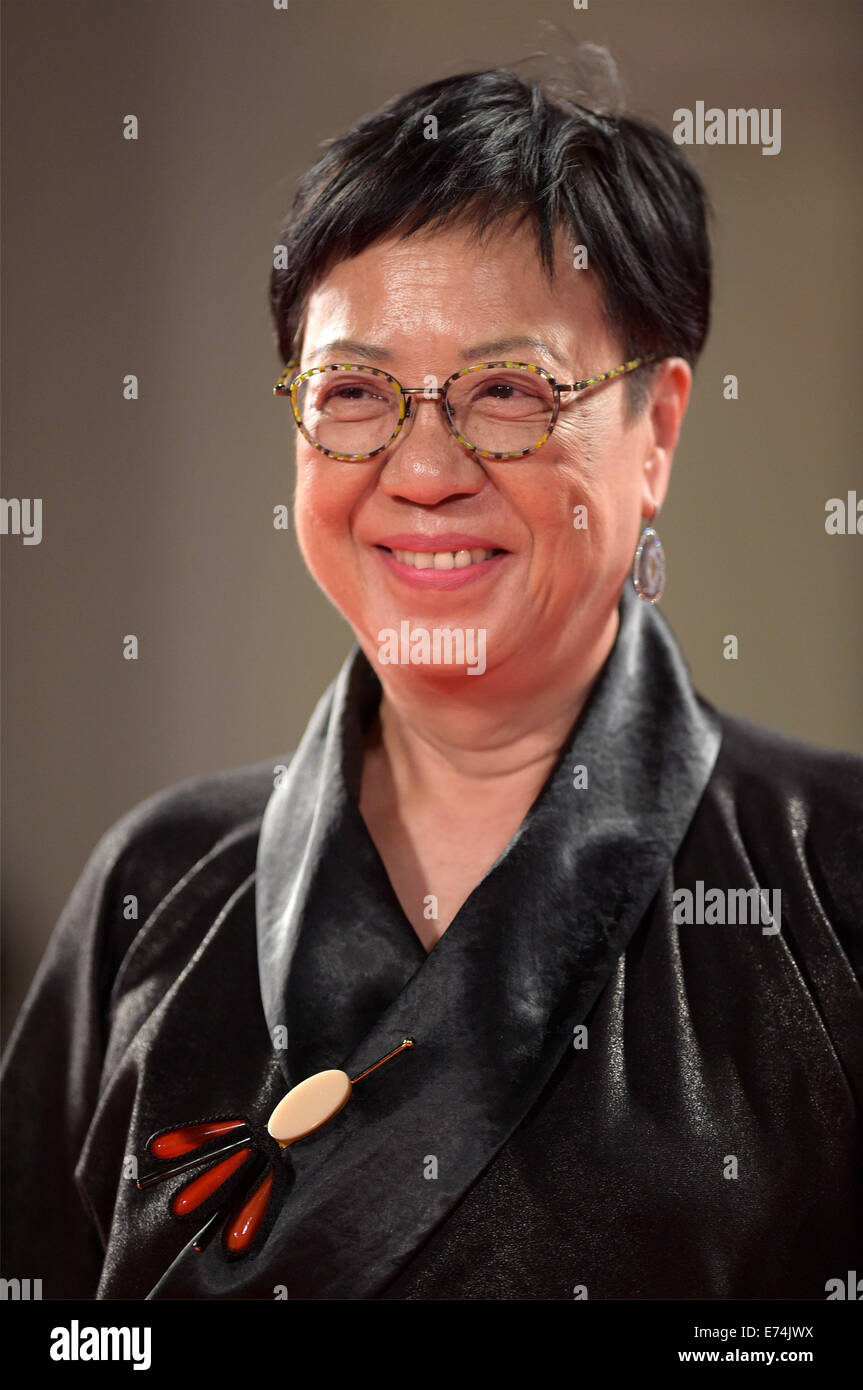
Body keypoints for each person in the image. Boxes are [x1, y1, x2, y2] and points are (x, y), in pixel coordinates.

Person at [2, 66, 861, 1302]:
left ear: (655, 431)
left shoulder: (829, 882)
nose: (420, 470)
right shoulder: (155, 889)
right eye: (352, 394)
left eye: (506, 393)